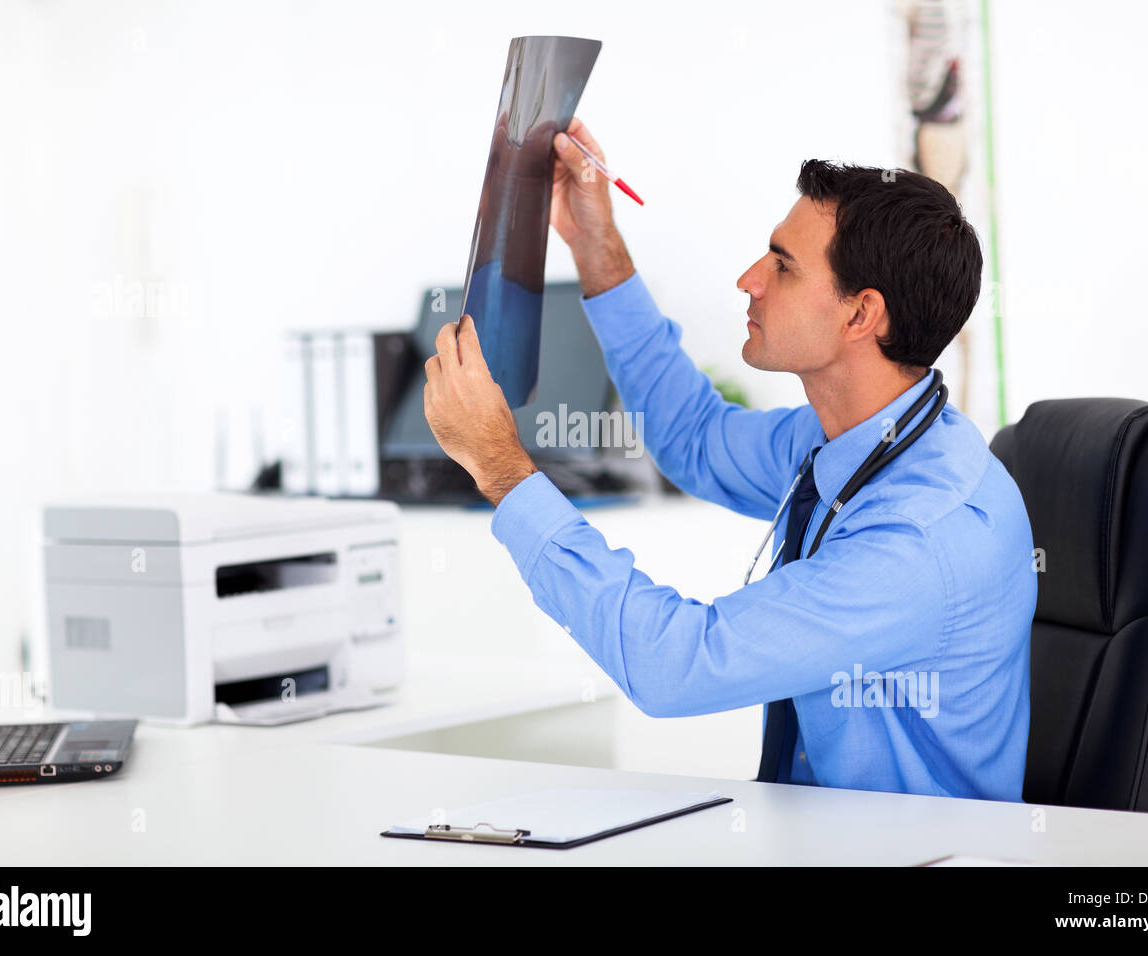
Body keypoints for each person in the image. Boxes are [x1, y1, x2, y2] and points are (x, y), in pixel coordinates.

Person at [422, 118, 1036, 800]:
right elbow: (694, 437)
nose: (749, 279)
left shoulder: (918, 542)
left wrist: (503, 471)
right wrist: (596, 242)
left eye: (782, 264)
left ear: (862, 315)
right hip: (811, 834)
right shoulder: (857, 438)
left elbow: (678, 665)